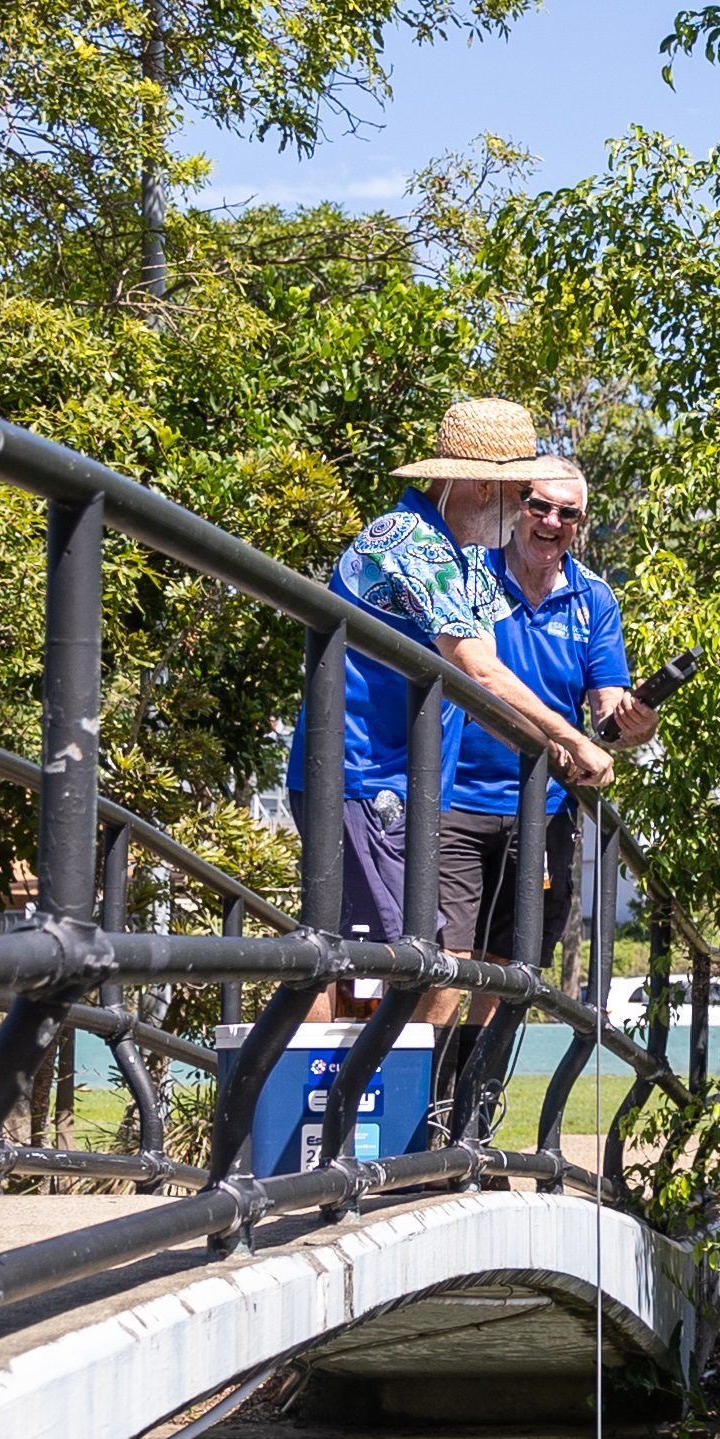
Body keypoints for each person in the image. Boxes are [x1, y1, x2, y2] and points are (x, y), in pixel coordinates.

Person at [295, 398, 614, 998]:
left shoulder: (460, 555)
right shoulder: (413, 543)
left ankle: (389, 1093)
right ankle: (273, 1088)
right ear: (479, 486)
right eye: (522, 495)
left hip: (405, 786)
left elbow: (486, 667)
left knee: (397, 966)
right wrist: (569, 739)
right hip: (362, 779)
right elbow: (478, 672)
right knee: (352, 969)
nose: (527, 512)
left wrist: (548, 747)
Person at [446, 454, 652, 976]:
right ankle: (436, 1063)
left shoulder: (595, 598)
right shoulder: (469, 572)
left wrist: (635, 724)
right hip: (455, 798)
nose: (552, 522)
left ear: (580, 523)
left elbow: (607, 717)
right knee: (441, 966)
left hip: (545, 808)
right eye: (540, 506)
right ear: (518, 505)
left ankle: (477, 1063)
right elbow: (476, 671)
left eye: (569, 514)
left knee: (515, 976)